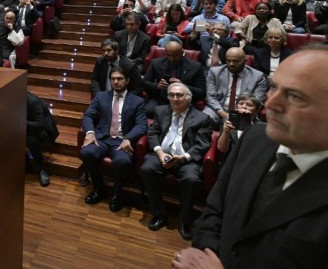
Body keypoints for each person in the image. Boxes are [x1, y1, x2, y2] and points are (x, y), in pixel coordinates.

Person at [174, 46, 328, 269]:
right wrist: (205, 251)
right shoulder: (254, 137)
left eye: (295, 96)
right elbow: (215, 208)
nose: (271, 104)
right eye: (273, 88)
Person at [140, 83, 213, 241]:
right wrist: (159, 153)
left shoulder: (202, 118)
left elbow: (202, 144)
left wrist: (181, 158)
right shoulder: (161, 110)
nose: (175, 98)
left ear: (189, 98)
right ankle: (159, 214)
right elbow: (153, 133)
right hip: (162, 155)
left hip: (184, 159)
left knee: (192, 179)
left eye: (179, 95)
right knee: (147, 168)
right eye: (171, 95)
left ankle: (184, 221)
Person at [80, 69, 147, 211]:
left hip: (122, 140)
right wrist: (90, 132)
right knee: (86, 153)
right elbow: (88, 116)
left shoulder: (137, 101)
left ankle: (117, 194)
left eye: (120, 78)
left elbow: (142, 125)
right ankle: (99, 188)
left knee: (122, 161)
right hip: (103, 138)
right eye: (113, 78)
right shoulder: (101, 97)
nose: (116, 82)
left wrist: (129, 138)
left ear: (127, 81)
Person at [204, 47, 268, 123]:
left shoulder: (258, 76)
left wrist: (239, 114)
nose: (231, 64)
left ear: (245, 61)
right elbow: (210, 97)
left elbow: (257, 101)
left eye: (236, 61)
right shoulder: (215, 72)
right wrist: (222, 113)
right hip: (217, 109)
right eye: (228, 61)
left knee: (239, 126)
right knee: (204, 118)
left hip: (243, 111)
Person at [26, 91, 59, 187]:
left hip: (43, 130)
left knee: (32, 139)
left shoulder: (33, 101)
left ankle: (41, 170)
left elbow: (40, 125)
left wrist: (21, 121)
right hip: (27, 126)